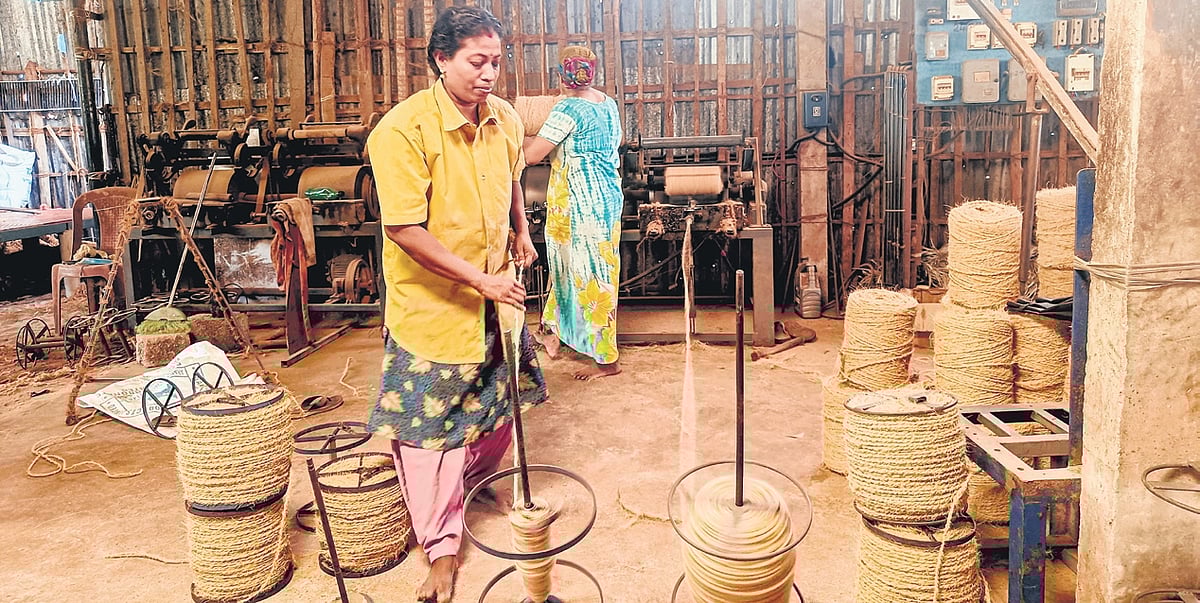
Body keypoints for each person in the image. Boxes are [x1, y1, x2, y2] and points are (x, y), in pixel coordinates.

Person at [365, 6, 548, 601]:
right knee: (429, 433)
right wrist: (480, 281)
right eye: (476, 61)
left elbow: (513, 179)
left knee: (498, 400)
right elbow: (404, 229)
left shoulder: (504, 120)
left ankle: (471, 486)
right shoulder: (402, 132)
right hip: (437, 307)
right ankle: (439, 548)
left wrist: (521, 230)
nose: (490, 73)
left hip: (498, 297)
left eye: (496, 60)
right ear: (440, 60)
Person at [524, 46, 625, 381]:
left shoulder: (567, 108)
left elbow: (533, 155)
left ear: (561, 74)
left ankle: (607, 361)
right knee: (577, 270)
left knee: (590, 276)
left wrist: (505, 140)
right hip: (608, 198)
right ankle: (553, 332)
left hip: (579, 204)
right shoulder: (608, 104)